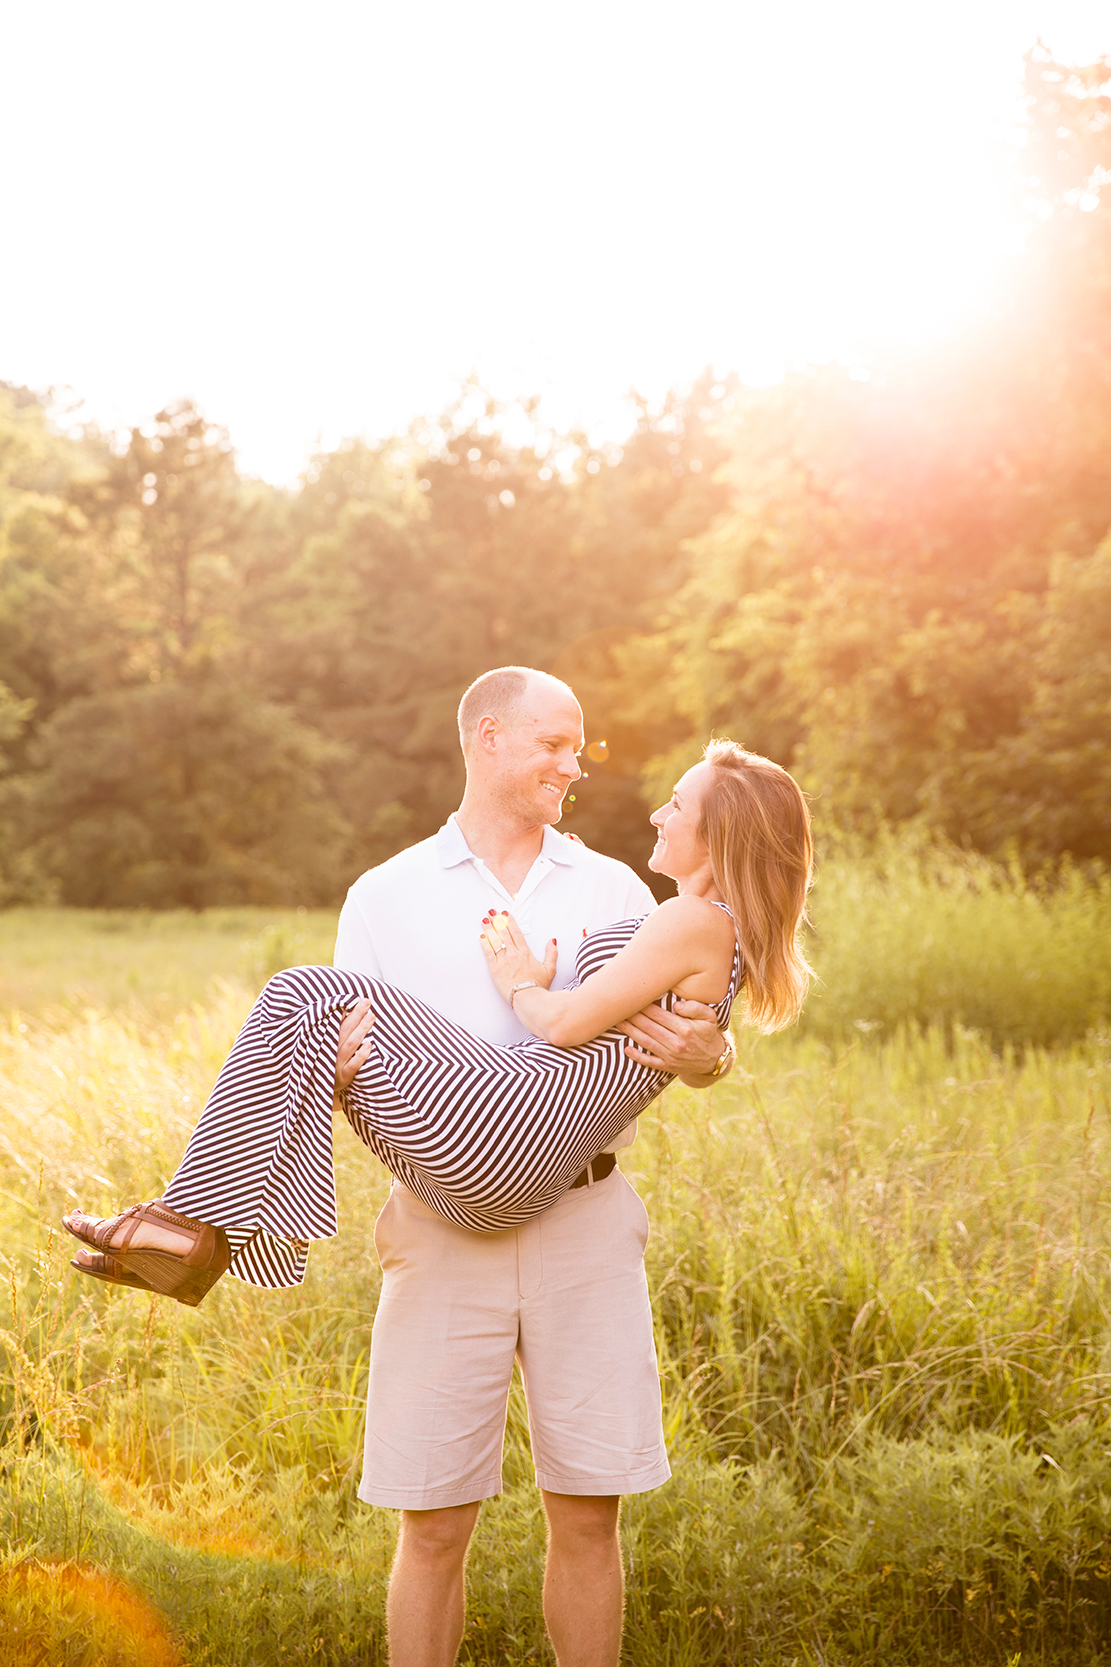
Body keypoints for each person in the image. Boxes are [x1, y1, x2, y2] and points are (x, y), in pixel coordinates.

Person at [65, 667, 812, 1667]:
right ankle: (194, 1227)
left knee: (589, 1516)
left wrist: (706, 1052)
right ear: (488, 737)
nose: (575, 765)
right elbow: (363, 1063)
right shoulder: (386, 893)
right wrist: (327, 1076)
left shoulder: (616, 886)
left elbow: (672, 1025)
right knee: (431, 1521)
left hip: (578, 1214)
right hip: (439, 1201)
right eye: (554, 743)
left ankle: (194, 1229)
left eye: (576, 746)